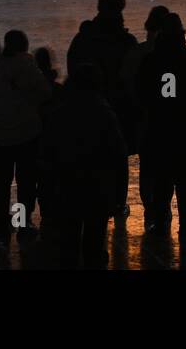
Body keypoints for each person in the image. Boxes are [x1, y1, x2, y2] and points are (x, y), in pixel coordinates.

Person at [38, 64, 128, 268]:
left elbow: (46, 155)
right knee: (94, 243)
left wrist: (47, 194)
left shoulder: (58, 113)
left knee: (68, 244)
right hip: (98, 189)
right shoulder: (104, 113)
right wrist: (119, 196)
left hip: (66, 187)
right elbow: (118, 155)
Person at [67, 0, 141, 217]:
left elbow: (73, 71)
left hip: (87, 108)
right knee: (118, 158)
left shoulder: (83, 39)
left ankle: (90, 200)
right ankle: (118, 203)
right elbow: (134, 76)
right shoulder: (126, 41)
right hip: (120, 109)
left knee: (90, 156)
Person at [135, 12, 186, 236]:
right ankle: (185, 222)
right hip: (183, 122)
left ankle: (161, 221)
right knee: (184, 178)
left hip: (158, 124)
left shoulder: (149, 61)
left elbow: (141, 92)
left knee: (162, 178)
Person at [0, 30, 51, 237]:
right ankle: (22, 221)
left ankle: (0, 218)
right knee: (26, 182)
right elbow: (45, 95)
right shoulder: (29, 69)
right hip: (26, 134)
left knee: (0, 181)